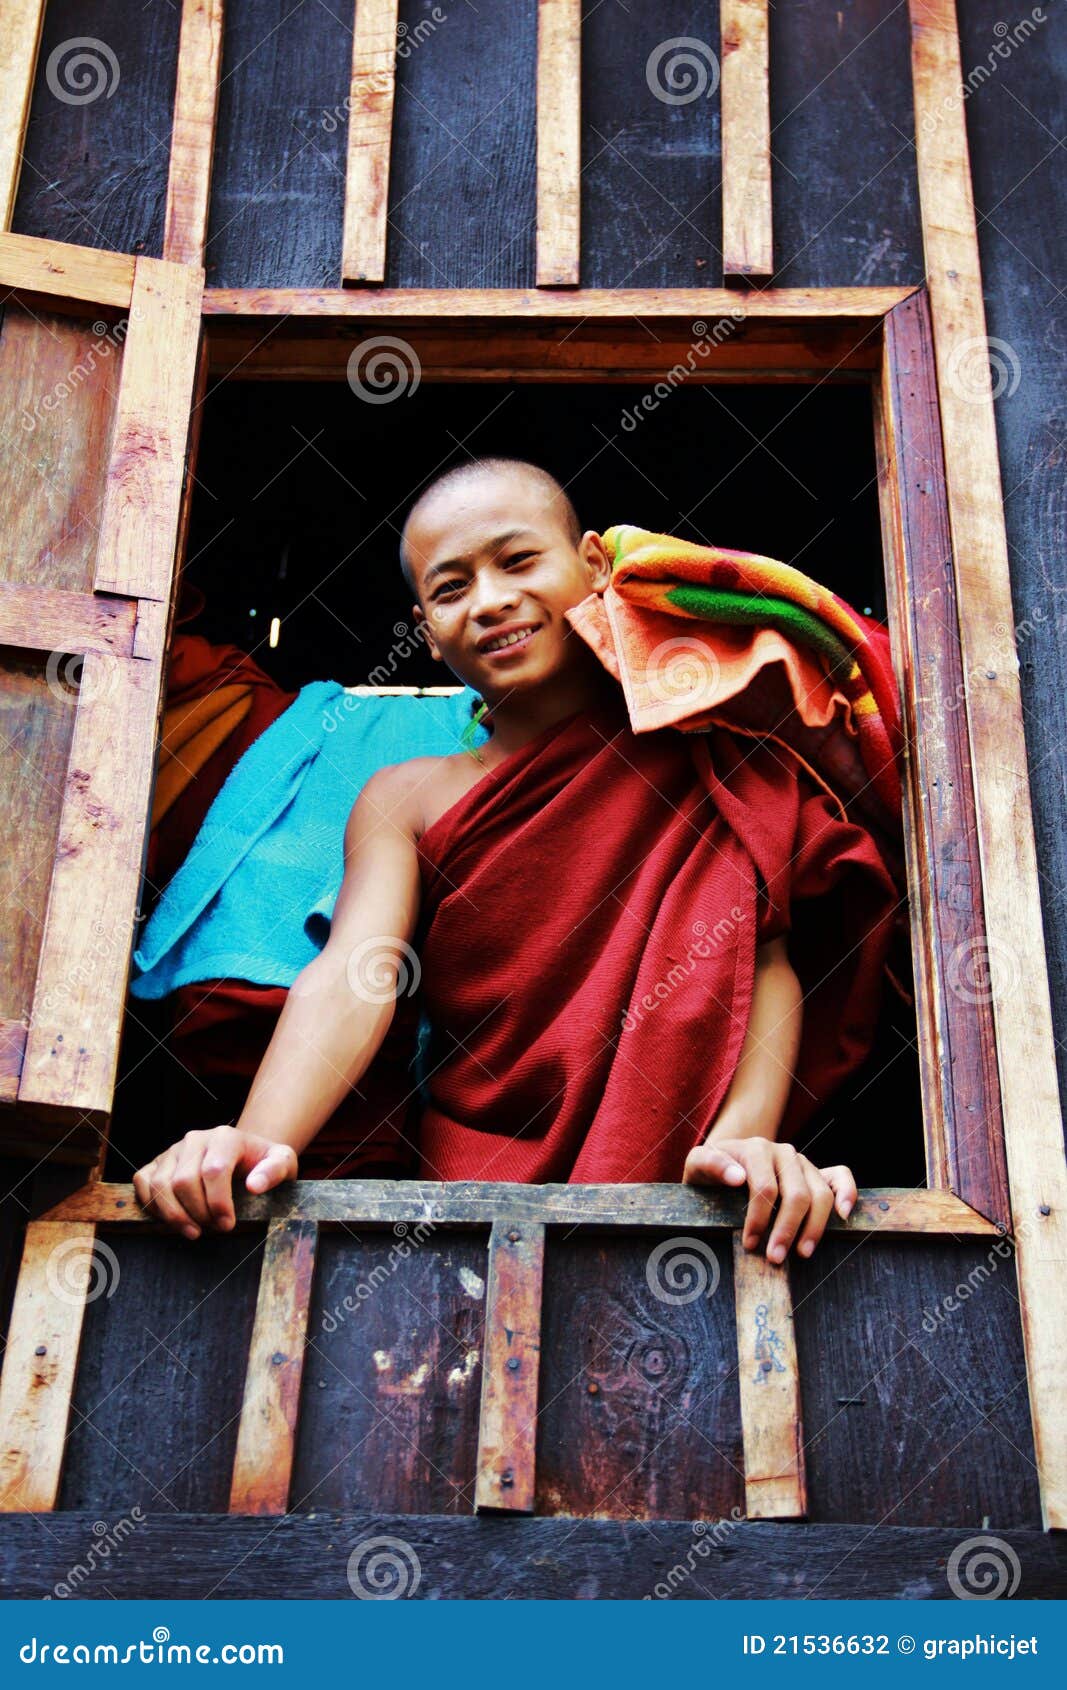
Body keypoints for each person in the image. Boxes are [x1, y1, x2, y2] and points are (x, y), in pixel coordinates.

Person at [134, 458, 901, 1260]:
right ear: (426, 632)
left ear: (595, 566)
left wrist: (744, 1141)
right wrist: (255, 1141)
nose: (491, 600)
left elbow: (760, 956)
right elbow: (355, 972)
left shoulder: (713, 748)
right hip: (471, 1177)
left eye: (518, 559)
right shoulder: (410, 795)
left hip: (689, 1181)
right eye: (451, 587)